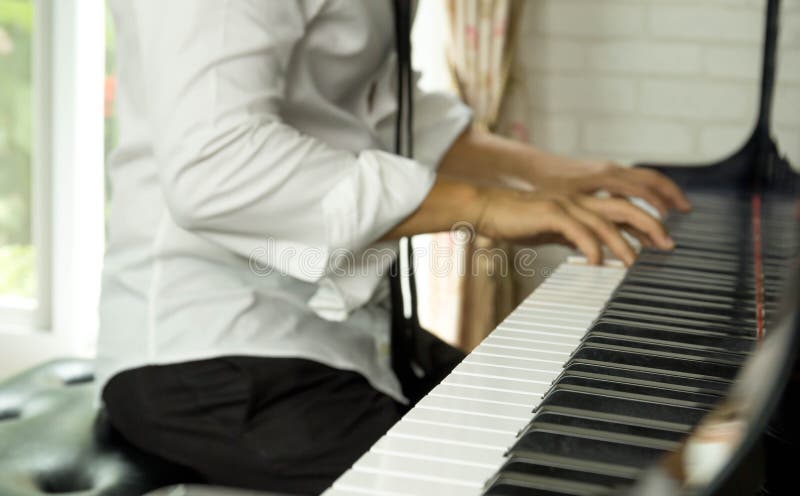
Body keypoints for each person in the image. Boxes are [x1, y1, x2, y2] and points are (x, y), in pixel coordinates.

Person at [97, 1, 691, 495]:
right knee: (522, 479)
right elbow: (217, 166)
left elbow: (384, 112)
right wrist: (482, 208)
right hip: (209, 348)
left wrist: (548, 174)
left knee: (573, 436)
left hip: (337, 330)